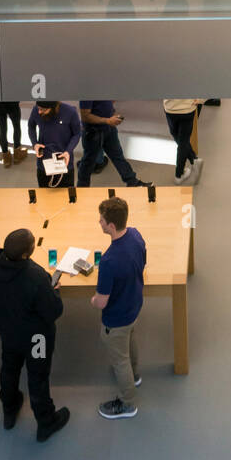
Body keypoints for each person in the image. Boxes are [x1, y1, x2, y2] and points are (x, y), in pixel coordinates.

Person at [0, 228, 69, 442]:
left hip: (8, 330)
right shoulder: (36, 276)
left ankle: (9, 409)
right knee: (38, 376)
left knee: (9, 368)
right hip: (36, 338)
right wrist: (55, 290)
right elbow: (54, 311)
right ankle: (45, 421)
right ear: (25, 255)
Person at [91, 196, 147, 420]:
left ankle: (127, 404)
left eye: (102, 220)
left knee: (119, 359)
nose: (99, 222)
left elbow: (101, 301)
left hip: (116, 319)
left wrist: (92, 301)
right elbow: (143, 260)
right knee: (129, 341)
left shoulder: (109, 261)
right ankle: (134, 376)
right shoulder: (135, 234)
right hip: (133, 305)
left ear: (111, 226)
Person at [77, 102, 143, 187]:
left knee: (118, 156)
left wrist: (112, 113)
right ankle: (81, 189)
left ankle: (132, 182)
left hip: (109, 129)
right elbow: (85, 116)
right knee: (88, 162)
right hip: (94, 133)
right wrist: (107, 120)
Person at [27, 99, 81, 188]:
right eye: (39, 108)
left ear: (54, 108)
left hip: (64, 162)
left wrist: (68, 151)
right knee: (44, 196)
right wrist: (34, 143)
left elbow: (77, 133)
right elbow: (31, 126)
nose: (39, 112)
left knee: (65, 196)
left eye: (43, 110)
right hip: (43, 164)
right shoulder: (36, 110)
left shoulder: (70, 112)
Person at [163, 99, 205, 184]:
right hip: (181, 108)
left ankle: (179, 174)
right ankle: (193, 159)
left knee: (181, 140)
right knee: (181, 139)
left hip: (176, 108)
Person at [0, 101, 26, 168]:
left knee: (2, 130)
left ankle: (6, 157)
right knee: (16, 127)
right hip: (12, 102)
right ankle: (17, 155)